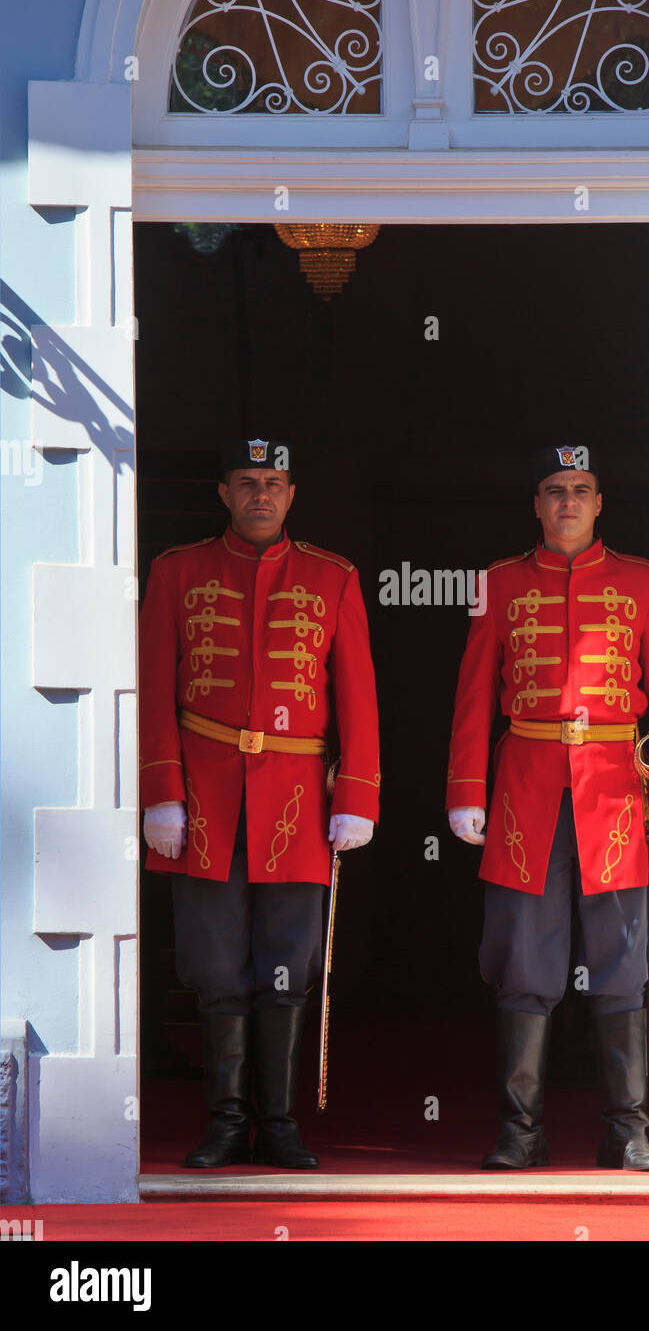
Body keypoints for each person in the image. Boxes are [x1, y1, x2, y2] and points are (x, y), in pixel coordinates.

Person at [446, 444, 649, 1171]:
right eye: (554, 489)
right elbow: (470, 698)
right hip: (525, 785)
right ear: (536, 503)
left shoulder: (642, 583)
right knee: (526, 962)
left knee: (619, 963)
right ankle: (520, 1134)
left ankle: (627, 1131)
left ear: (598, 502)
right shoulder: (498, 583)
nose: (567, 502)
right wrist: (466, 789)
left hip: (615, 784)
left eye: (581, 489)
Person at [139, 438, 379, 1169]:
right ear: (223, 493)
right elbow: (151, 686)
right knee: (216, 971)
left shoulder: (332, 576)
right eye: (246, 483)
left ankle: (277, 1125)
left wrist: (358, 795)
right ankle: (225, 1121)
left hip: (298, 801)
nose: (260, 496)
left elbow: (357, 698)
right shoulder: (177, 571)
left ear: (292, 493)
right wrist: (160, 792)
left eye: (273, 483)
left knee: (286, 968)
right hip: (204, 797)